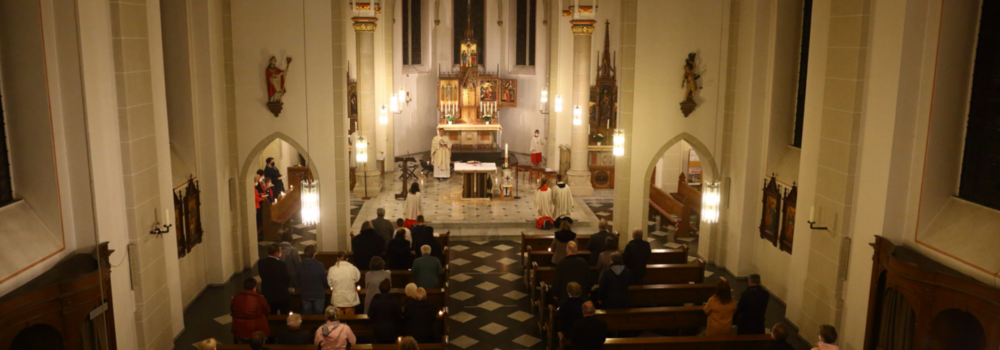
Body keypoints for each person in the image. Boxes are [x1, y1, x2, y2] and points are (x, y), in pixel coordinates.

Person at [231, 278, 270, 343]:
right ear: (254, 288)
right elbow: (267, 310)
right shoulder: (259, 298)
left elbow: (232, 311)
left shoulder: (236, 298)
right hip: (257, 330)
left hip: (240, 330)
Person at [258, 244, 291, 314]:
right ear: (276, 254)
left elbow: (262, 276)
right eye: (280, 252)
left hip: (268, 294)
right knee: (284, 314)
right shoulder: (282, 265)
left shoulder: (261, 263)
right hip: (281, 295)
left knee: (271, 313)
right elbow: (287, 279)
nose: (280, 253)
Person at [298, 245, 330, 314]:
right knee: (318, 319)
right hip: (318, 294)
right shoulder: (320, 265)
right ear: (314, 254)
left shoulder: (300, 265)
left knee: (308, 320)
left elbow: (297, 279)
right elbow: (324, 280)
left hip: (305, 294)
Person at [367, 279, 402, 344]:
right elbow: (399, 315)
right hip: (392, 332)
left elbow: (370, 315)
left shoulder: (375, 300)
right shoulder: (394, 300)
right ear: (389, 288)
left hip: (378, 332)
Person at [327, 251, 361, 316]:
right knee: (350, 320)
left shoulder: (332, 269)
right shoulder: (353, 269)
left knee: (338, 319)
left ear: (337, 258)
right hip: (350, 299)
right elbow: (357, 279)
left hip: (337, 298)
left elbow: (330, 284)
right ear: (347, 259)